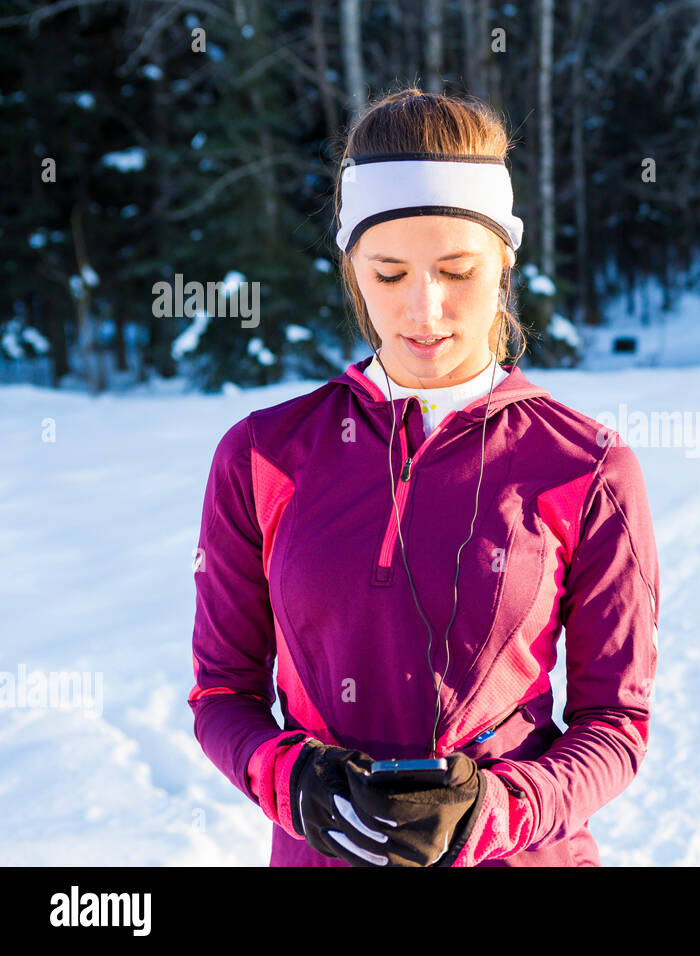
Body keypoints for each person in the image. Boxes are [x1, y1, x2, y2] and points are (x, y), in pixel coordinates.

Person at [187, 89, 660, 867]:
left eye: (457, 269)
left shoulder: (590, 466)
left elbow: (616, 723)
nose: (424, 308)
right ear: (352, 267)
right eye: (390, 271)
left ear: (505, 258)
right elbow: (222, 694)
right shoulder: (263, 454)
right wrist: (295, 779)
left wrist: (496, 811)